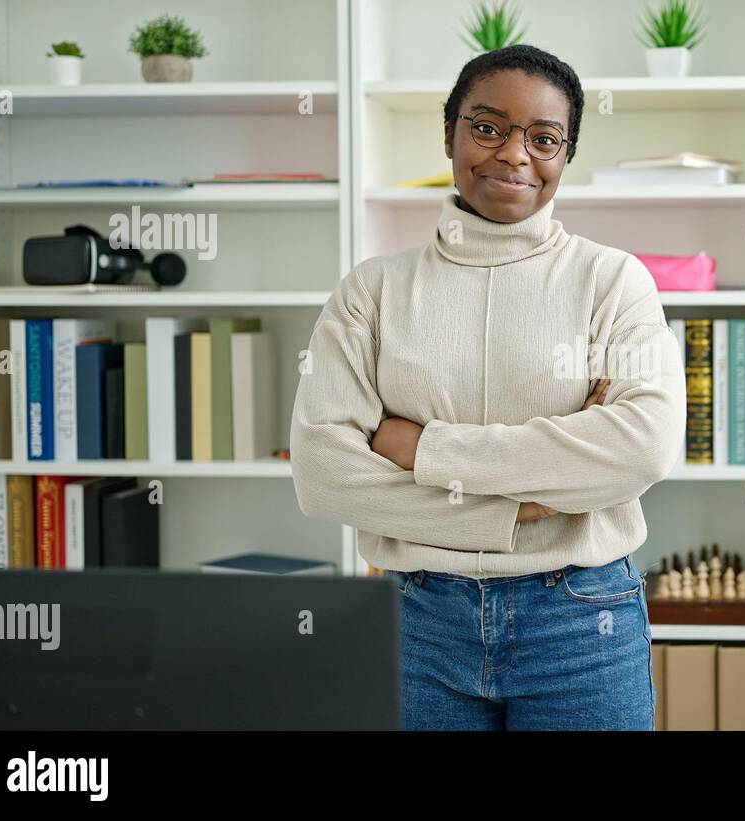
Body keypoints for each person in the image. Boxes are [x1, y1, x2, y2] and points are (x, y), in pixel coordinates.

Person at [289, 44, 686, 730]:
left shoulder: (614, 282)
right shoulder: (373, 292)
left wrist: (422, 448)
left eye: (544, 138)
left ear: (566, 154)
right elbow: (323, 473)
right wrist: (513, 510)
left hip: (581, 621)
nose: (513, 154)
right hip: (417, 622)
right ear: (449, 135)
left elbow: (643, 447)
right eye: (487, 127)